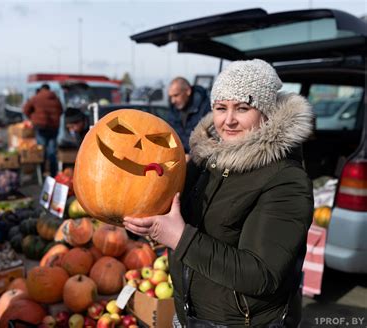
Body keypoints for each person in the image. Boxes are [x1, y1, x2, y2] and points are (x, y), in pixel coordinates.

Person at [124, 59, 314, 327]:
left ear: (267, 113)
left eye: (243, 108)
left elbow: (262, 274)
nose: (229, 120)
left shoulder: (285, 179)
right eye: (221, 108)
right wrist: (143, 219)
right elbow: (169, 213)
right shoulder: (204, 162)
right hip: (188, 313)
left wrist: (180, 237)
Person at [23, 83, 63, 176]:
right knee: (52, 151)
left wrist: (32, 118)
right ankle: (53, 174)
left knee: (41, 150)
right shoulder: (56, 98)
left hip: (40, 127)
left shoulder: (36, 98)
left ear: (41, 89)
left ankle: (41, 173)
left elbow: (25, 109)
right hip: (53, 127)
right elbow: (61, 111)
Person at [167, 77, 210, 154]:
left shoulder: (206, 108)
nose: (173, 101)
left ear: (188, 91)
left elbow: (210, 139)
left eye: (176, 95)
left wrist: (192, 156)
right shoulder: (173, 110)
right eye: (171, 97)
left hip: (202, 158)